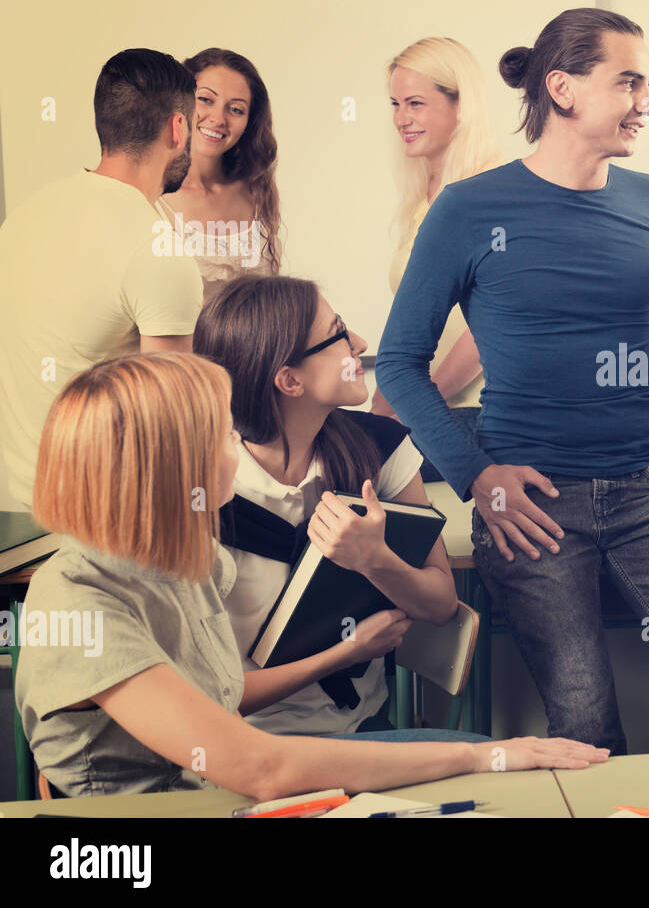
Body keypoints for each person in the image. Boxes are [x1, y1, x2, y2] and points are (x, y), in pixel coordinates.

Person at [376, 8, 649, 754]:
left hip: (648, 493)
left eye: (645, 83)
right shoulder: (468, 208)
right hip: (531, 502)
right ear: (562, 89)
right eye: (628, 81)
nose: (644, 100)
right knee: (584, 721)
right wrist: (477, 476)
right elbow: (398, 361)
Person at [15, 352, 608, 798]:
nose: (238, 444)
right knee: (483, 762)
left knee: (484, 764)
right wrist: (480, 759)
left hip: (216, 791)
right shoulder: (76, 601)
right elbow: (260, 766)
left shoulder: (182, 558)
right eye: (223, 433)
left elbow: (220, 695)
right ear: (171, 467)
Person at [194, 274, 472, 739]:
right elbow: (207, 695)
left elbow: (442, 605)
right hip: (244, 742)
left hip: (363, 729)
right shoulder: (205, 486)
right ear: (289, 379)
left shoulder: (380, 449)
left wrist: (375, 560)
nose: (360, 343)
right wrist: (346, 652)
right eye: (339, 335)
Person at [0, 48, 202, 509]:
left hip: (19, 516)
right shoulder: (156, 247)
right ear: (177, 128)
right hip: (106, 524)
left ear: (100, 127)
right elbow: (172, 429)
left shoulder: (22, 219)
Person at [370, 37, 503, 483]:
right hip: (429, 407)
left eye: (416, 104)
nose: (401, 118)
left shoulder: (492, 195)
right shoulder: (422, 197)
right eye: (395, 103)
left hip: (477, 416)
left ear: (460, 106)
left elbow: (487, 335)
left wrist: (412, 405)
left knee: (356, 466)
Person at [159, 48, 283, 302]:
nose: (218, 118)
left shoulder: (258, 192)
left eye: (236, 109)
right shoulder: (151, 196)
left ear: (250, 121)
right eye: (205, 99)